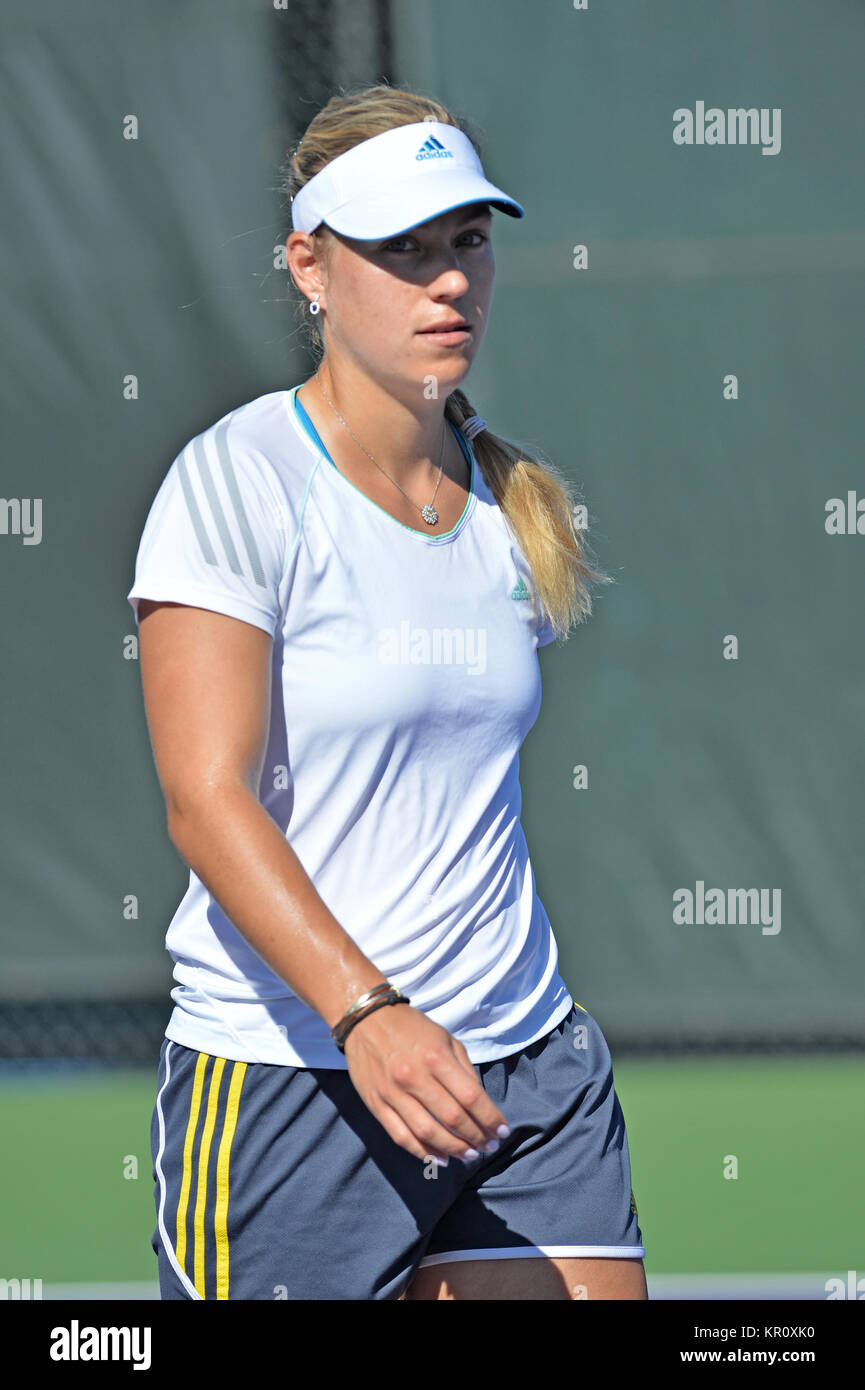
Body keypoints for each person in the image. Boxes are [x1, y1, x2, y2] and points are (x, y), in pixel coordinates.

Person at [127, 83, 646, 1301]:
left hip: (525, 1068)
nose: (449, 281)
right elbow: (207, 802)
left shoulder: (509, 504)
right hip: (295, 1081)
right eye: (403, 251)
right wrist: (369, 1014)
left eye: (467, 241)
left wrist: (455, 1023)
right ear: (309, 267)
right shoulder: (232, 484)